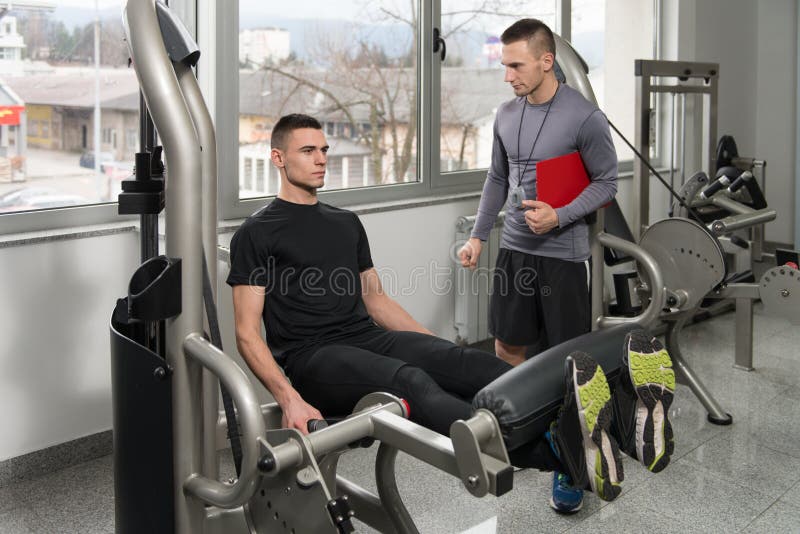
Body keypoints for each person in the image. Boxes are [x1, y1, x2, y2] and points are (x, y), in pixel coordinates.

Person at [227, 114, 674, 515]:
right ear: (278, 158)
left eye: (324, 149)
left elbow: (377, 302)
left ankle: (618, 430)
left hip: (364, 336)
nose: (321, 158)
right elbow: (247, 332)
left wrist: (434, 347)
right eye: (308, 150)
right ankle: (557, 452)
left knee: (468, 363)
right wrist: (289, 397)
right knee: (411, 380)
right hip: (314, 357)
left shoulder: (344, 222)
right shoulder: (257, 232)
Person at [458, 18, 618, 367]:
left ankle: (562, 421)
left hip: (563, 258)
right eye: (505, 66)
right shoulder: (506, 114)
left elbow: (607, 183)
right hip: (514, 250)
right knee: (506, 348)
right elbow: (498, 178)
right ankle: (524, 422)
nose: (508, 76)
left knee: (565, 357)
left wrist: (559, 215)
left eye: (516, 66)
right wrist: (477, 237)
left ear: (546, 62)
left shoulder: (585, 116)